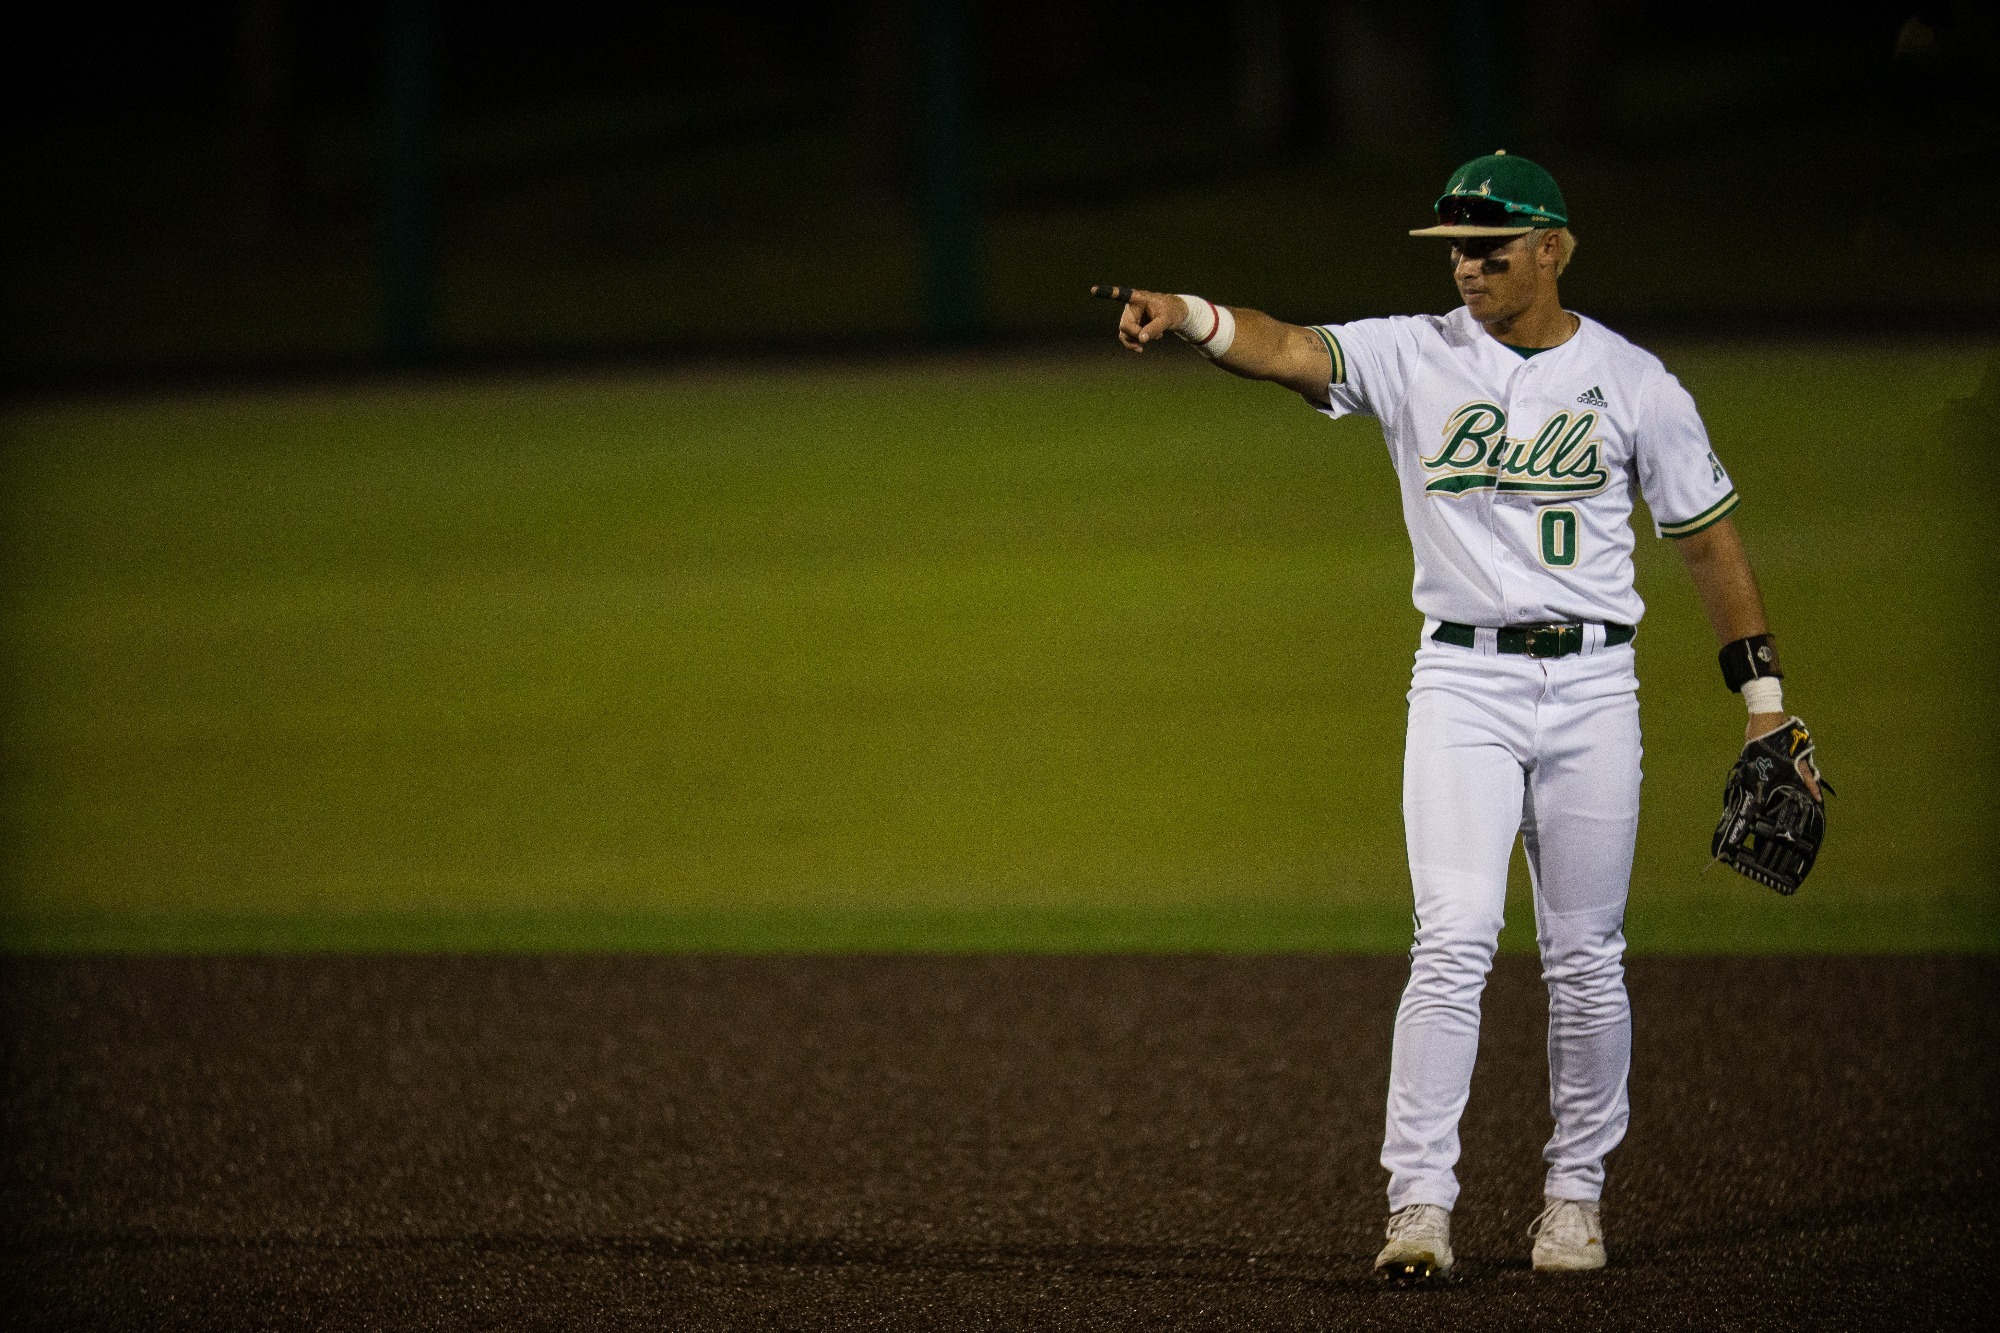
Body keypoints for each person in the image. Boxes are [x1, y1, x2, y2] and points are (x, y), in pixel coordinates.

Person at [1096, 152, 1821, 1280]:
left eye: (1488, 246)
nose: (1467, 264)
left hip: (1593, 690)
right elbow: (1286, 347)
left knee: (1585, 959)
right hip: (1460, 686)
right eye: (1453, 248)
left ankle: (1572, 1200)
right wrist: (1186, 314)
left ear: (1550, 249)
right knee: (1452, 941)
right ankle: (1418, 1208)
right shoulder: (1410, 352)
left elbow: (1708, 541)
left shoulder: (1633, 383)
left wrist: (1762, 705)